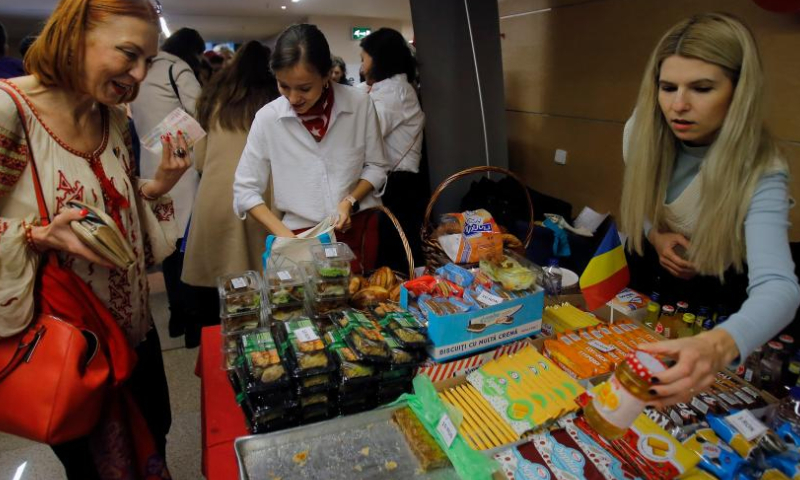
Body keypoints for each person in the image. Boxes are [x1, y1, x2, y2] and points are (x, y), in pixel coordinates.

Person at [0, 0, 190, 476]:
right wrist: (37, 235)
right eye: (128, 54)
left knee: (155, 436)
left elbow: (115, 220)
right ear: (74, 36)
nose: (140, 73)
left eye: (148, 60)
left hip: (135, 337)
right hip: (71, 345)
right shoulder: (10, 112)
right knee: (92, 466)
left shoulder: (116, 119)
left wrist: (160, 185)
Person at [619, 12, 800, 406]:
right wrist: (654, 233)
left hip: (720, 293)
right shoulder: (640, 130)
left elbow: (779, 288)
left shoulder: (762, 169)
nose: (678, 106)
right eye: (667, 87)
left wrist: (718, 346)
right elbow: (641, 197)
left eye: (701, 88)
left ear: (739, 91)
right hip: (652, 271)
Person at [233, 23, 389, 269]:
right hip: (300, 235)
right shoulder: (268, 118)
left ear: (327, 74)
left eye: (304, 88)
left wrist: (349, 201)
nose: (293, 98)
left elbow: (377, 166)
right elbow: (245, 190)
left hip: (357, 227)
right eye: (283, 86)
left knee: (362, 300)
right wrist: (285, 235)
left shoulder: (359, 104)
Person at [182, 41, 279, 338]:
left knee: (222, 290)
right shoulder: (276, 102)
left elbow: (198, 159)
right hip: (264, 198)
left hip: (217, 195)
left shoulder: (212, 100)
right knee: (267, 290)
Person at [130, 27, 204, 341]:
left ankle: (176, 316)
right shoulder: (177, 68)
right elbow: (202, 112)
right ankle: (193, 321)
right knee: (187, 243)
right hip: (181, 169)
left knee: (168, 245)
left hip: (150, 169)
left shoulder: (137, 73)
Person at [359, 28, 426, 270]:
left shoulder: (395, 92)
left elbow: (367, 133)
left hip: (399, 185)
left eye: (363, 59)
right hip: (396, 183)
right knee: (394, 251)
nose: (361, 66)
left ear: (379, 59)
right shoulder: (389, 89)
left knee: (396, 254)